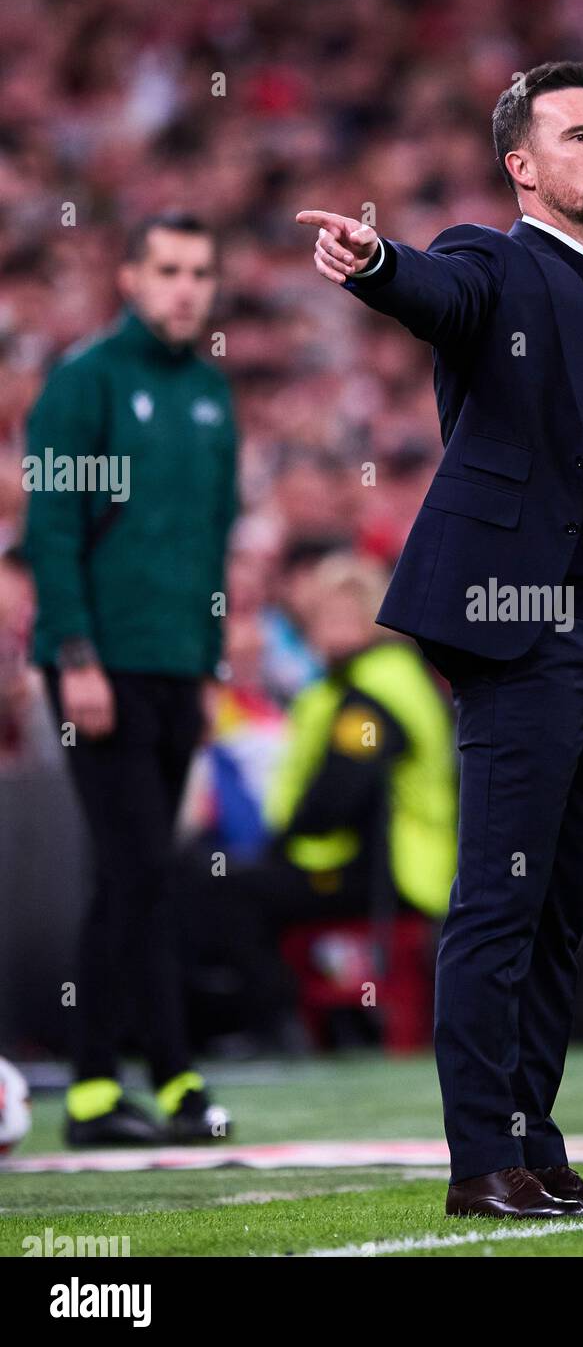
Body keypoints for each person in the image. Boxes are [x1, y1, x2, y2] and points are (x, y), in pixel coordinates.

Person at [297, 61, 583, 1219]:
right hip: (521, 629)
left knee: (557, 913)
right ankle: (481, 1160)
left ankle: (534, 1148)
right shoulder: (494, 260)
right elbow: (435, 293)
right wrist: (378, 263)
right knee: (501, 900)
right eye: (577, 133)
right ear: (521, 166)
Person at [23, 212, 238, 1146]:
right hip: (101, 668)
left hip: (175, 669)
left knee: (144, 877)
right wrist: (76, 657)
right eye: (168, 270)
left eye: (199, 271)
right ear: (128, 278)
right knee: (136, 869)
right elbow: (53, 532)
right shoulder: (85, 385)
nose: (186, 287)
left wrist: (206, 668)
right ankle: (104, 1090)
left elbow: (212, 547)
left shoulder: (211, 396)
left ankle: (162, 1082)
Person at [177, 553, 457, 1047]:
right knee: (219, 878)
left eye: (348, 615)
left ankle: (275, 1026)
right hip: (379, 864)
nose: (331, 627)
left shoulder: (375, 690)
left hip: (390, 873)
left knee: (233, 891)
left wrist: (285, 839)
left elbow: (341, 791)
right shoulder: (365, 681)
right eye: (325, 615)